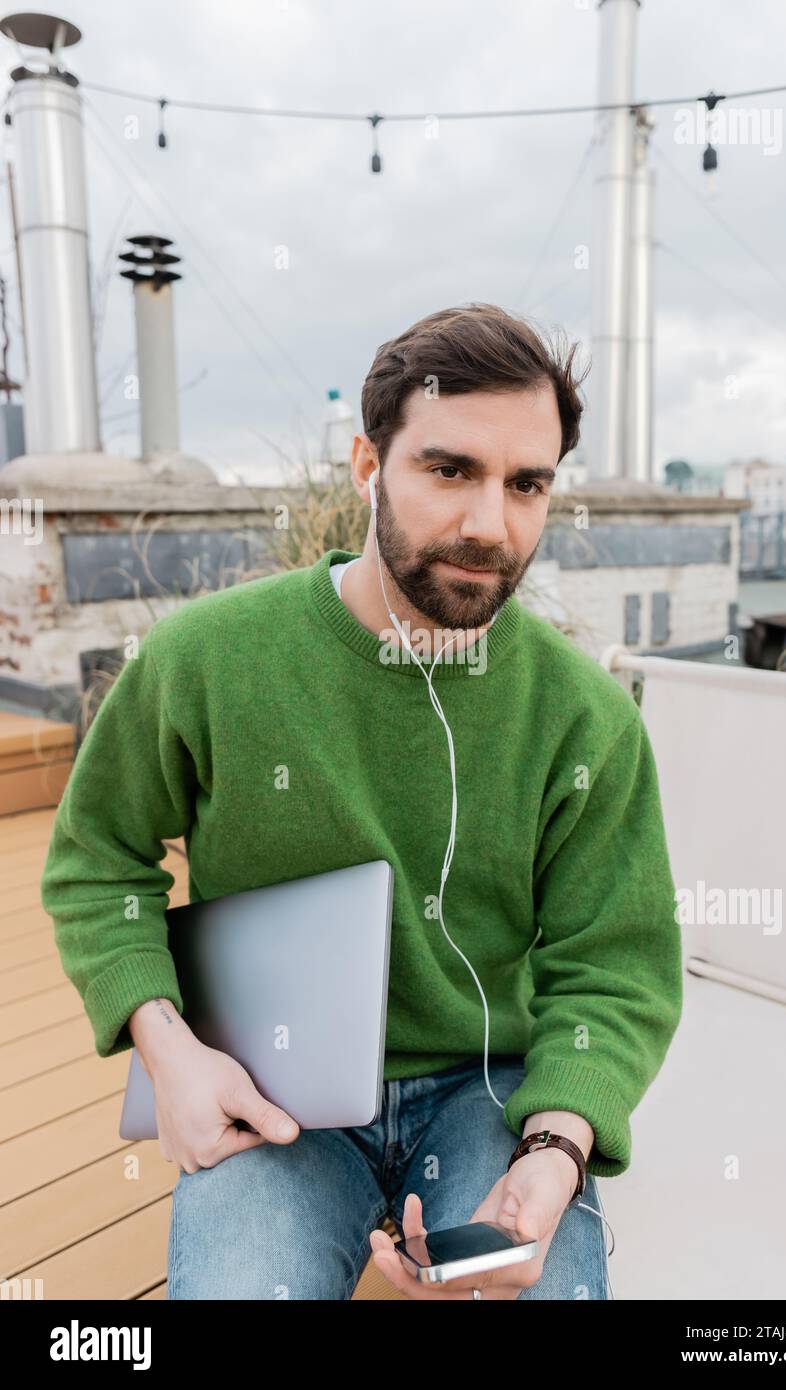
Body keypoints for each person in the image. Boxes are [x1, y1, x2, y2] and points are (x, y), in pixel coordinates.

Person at [41, 302, 683, 1300]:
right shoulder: (207, 660)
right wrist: (167, 1050)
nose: (488, 523)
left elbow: (615, 964)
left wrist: (556, 1148)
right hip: (265, 1088)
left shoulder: (585, 718)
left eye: (526, 484)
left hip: (491, 1091)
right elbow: (97, 857)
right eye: (448, 468)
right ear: (365, 464)